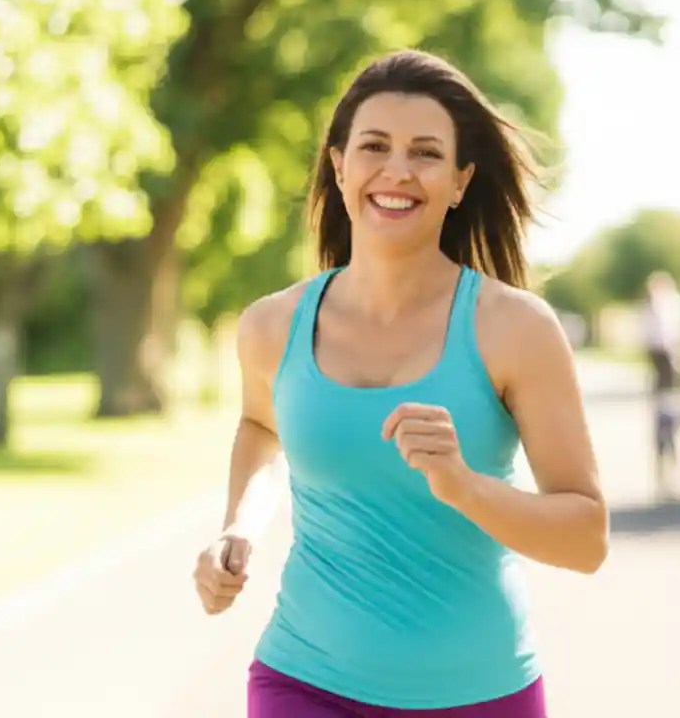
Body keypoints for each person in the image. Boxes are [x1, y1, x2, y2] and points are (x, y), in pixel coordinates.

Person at [191, 49, 607, 718]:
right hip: (305, 679)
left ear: (460, 181)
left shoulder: (514, 328)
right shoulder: (273, 326)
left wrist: (466, 486)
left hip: (478, 693)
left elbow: (586, 538)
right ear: (339, 164)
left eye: (425, 153)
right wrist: (236, 526)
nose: (397, 171)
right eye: (375, 146)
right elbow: (261, 425)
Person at [641, 270, 680, 500]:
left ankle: (674, 471)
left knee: (672, 423)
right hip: (662, 371)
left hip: (672, 372)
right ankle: (665, 475)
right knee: (662, 426)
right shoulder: (650, 312)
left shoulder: (674, 308)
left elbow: (678, 340)